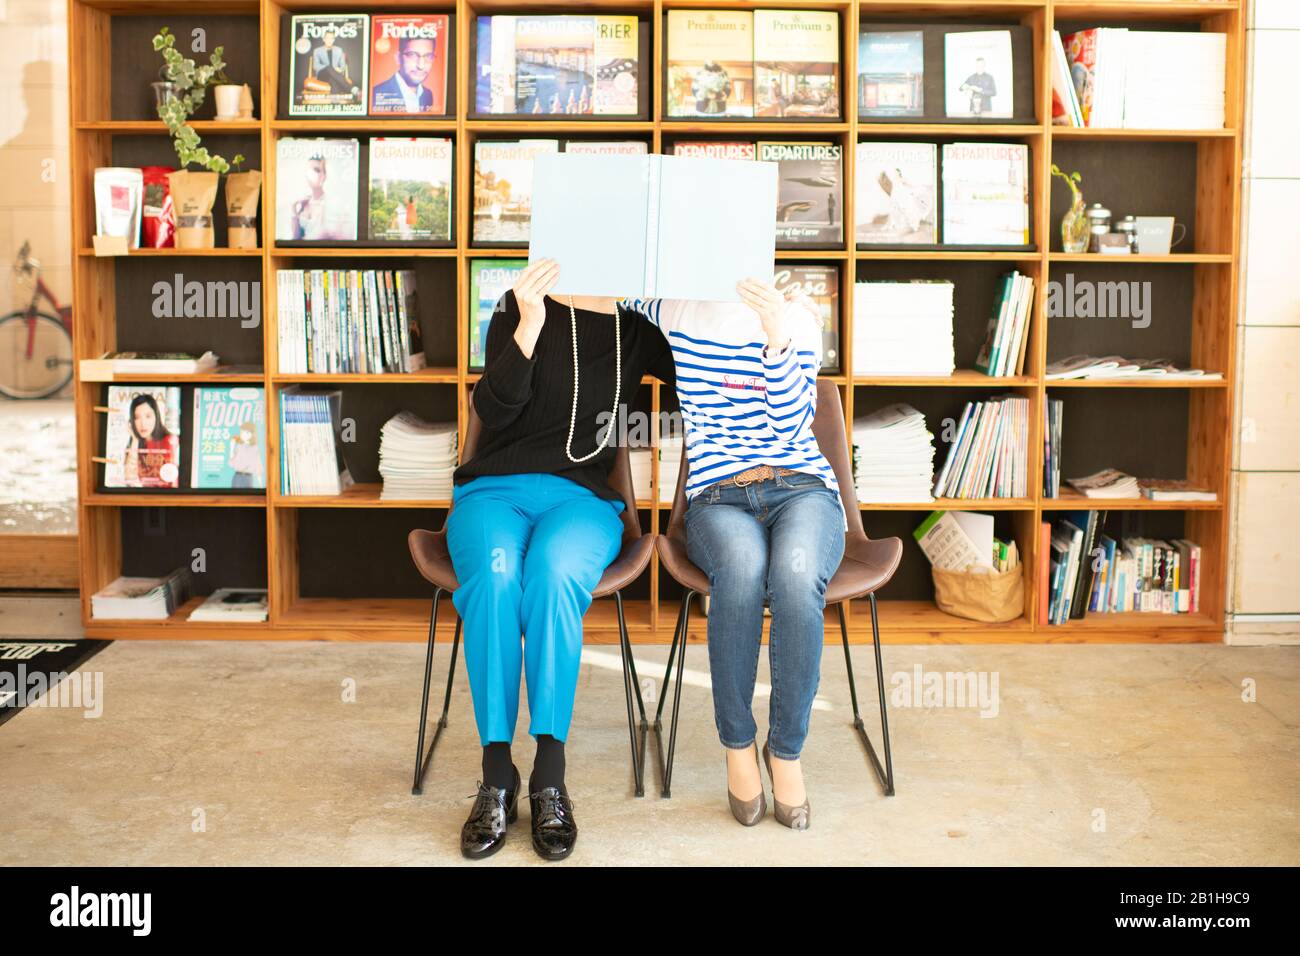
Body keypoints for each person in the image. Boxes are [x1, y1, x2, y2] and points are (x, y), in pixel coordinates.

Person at [447, 258, 675, 861]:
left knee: (551, 576)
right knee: (496, 579)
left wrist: (627, 427)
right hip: (492, 491)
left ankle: (550, 773)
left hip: (582, 499)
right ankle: (498, 774)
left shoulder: (638, 330)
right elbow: (493, 412)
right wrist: (528, 325)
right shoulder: (516, 302)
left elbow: (690, 398)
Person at [619, 280, 844, 831]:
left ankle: (785, 751)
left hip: (802, 488)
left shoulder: (798, 317)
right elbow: (620, 283)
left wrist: (775, 339)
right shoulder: (680, 307)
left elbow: (792, 425)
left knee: (794, 577)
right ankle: (738, 744)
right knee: (741, 572)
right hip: (719, 495)